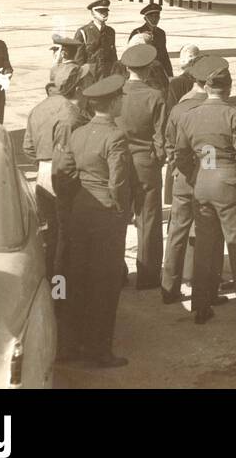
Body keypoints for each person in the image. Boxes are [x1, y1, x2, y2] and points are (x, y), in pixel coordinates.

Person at [174, 62, 236, 326]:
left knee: (206, 247)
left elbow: (180, 156)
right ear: (228, 89)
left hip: (202, 184)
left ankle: (201, 305)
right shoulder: (234, 114)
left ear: (206, 87)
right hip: (231, 185)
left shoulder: (188, 115)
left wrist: (196, 176)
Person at [64, 74, 132, 367]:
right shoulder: (115, 136)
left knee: (78, 277)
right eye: (119, 99)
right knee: (105, 284)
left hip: (80, 209)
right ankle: (98, 350)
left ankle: (73, 342)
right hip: (105, 213)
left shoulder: (78, 132)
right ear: (113, 102)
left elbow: (67, 171)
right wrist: (121, 209)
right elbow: (118, 182)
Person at [161, 56, 213, 304]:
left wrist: (180, 169)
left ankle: (168, 286)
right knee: (207, 234)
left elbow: (169, 144)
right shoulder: (216, 107)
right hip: (205, 177)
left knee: (176, 232)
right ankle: (204, 292)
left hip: (181, 178)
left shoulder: (178, 108)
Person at [24, 62, 83, 280]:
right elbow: (69, 156)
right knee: (65, 238)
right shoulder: (71, 114)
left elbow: (27, 147)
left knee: (49, 235)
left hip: (42, 173)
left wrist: (42, 164)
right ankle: (61, 293)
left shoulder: (38, 109)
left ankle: (50, 285)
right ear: (76, 87)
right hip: (64, 176)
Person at [116, 43, 166, 290]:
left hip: (118, 162)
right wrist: (158, 157)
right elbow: (160, 135)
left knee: (117, 217)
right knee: (148, 218)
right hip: (145, 162)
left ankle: (117, 271)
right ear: (147, 70)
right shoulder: (155, 96)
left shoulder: (116, 93)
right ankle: (147, 276)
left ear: (127, 68)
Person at [74, 0, 118, 83]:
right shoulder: (83, 32)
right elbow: (78, 59)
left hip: (106, 76)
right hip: (90, 78)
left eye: (105, 11)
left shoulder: (110, 31)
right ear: (93, 14)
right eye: (100, 11)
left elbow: (113, 56)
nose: (104, 13)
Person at [128, 2, 173, 79]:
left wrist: (169, 74)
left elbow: (164, 55)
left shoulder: (161, 33)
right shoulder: (137, 32)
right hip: (143, 73)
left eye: (157, 16)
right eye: (151, 17)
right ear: (145, 18)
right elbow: (130, 55)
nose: (154, 19)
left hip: (158, 73)